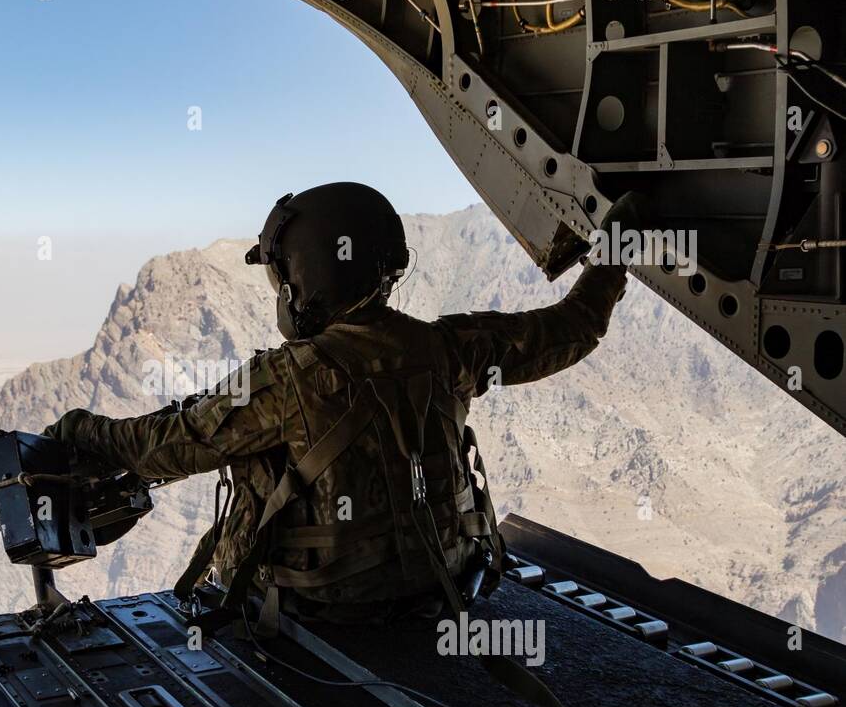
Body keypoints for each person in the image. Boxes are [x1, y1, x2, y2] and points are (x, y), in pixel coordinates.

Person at [45, 182, 628, 627]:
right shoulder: (449, 350)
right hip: (442, 585)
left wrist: (81, 430)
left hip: (323, 607)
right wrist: (616, 247)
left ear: (308, 279)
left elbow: (168, 448)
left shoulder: (287, 379)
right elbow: (572, 328)